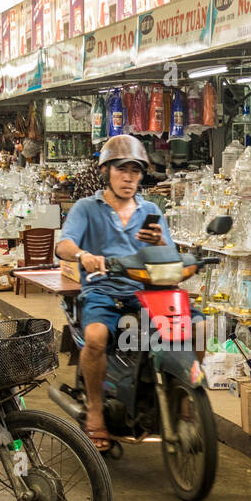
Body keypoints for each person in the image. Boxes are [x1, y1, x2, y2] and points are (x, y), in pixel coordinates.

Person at [55, 134, 185, 452]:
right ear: (107, 171)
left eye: (135, 171)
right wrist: (83, 255)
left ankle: (185, 404)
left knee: (195, 330)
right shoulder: (87, 208)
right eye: (121, 170)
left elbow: (171, 254)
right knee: (97, 338)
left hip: (147, 293)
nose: (128, 178)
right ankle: (97, 411)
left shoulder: (151, 209)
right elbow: (63, 245)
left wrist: (159, 244)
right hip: (103, 292)